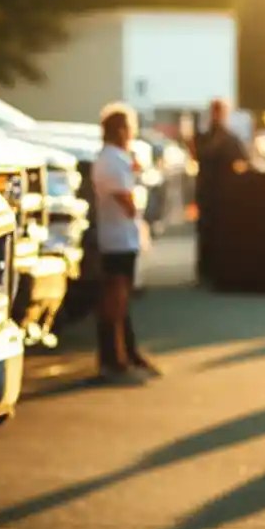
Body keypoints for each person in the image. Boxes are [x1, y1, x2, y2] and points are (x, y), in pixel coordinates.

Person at [93, 103, 157, 382]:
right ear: (120, 131)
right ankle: (114, 357)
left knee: (119, 298)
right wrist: (139, 189)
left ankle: (124, 352)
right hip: (119, 239)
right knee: (117, 298)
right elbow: (129, 204)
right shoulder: (113, 161)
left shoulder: (113, 159)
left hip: (117, 236)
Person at [192, 98, 247, 284]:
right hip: (207, 192)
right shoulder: (204, 137)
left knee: (224, 233)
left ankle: (222, 270)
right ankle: (205, 271)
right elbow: (200, 154)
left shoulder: (232, 138)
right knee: (206, 233)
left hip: (226, 194)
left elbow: (242, 162)